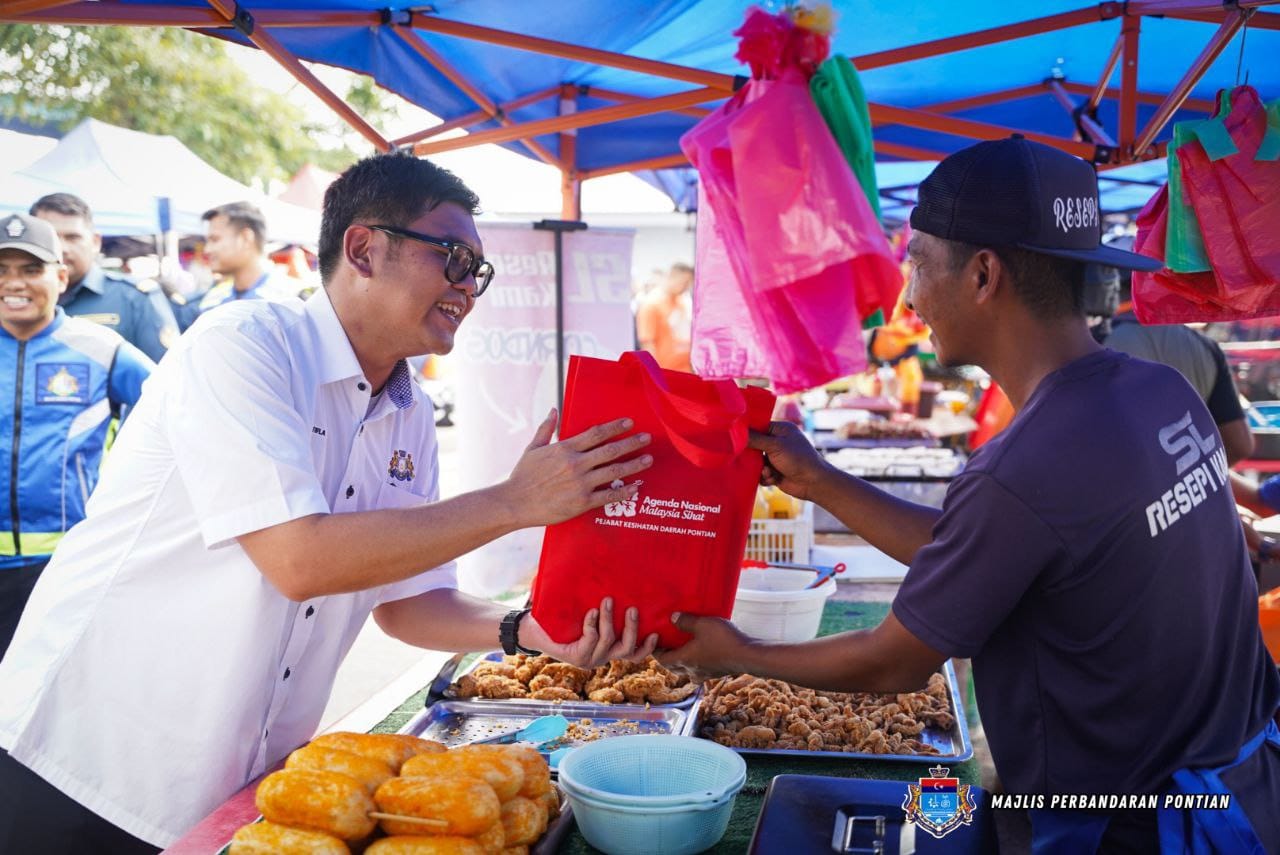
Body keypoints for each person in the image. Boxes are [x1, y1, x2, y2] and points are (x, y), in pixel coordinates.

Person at [0, 152, 656, 853]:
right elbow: (300, 558)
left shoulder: (407, 410)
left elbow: (410, 604)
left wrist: (532, 632)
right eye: (456, 259)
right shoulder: (244, 347)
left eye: (480, 271)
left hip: (235, 786)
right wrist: (512, 501)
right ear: (364, 248)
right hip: (80, 761)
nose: (470, 287)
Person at [665, 138, 1280, 853]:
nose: (909, 296)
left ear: (984, 273)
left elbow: (892, 661)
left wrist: (733, 650)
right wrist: (823, 480)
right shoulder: (1160, 394)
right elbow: (995, 552)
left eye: (917, 262)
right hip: (1247, 791)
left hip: (1137, 828)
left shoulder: (1028, 463)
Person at [0, 212, 153, 657]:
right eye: (3, 270)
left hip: (65, 567)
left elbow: (174, 411)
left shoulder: (103, 350)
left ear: (61, 276)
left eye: (31, 269)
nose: (15, 283)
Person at [1086, 248, 1255, 465]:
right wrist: (1197, 478)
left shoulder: (1093, 346)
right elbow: (1240, 444)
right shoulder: (1203, 344)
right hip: (1191, 491)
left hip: (1126, 490)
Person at [29, 193, 179, 363]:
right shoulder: (15, 300)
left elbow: (168, 375)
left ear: (95, 242)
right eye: (52, 237)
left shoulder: (135, 298)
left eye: (73, 237)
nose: (62, 248)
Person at [189, 201, 299, 323]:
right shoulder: (213, 303)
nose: (207, 250)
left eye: (215, 239)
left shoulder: (288, 304)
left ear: (246, 238)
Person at [636, 262, 693, 372]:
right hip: (666, 372)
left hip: (685, 371)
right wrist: (655, 374)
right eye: (684, 282)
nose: (686, 287)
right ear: (672, 277)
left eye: (689, 283)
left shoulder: (681, 302)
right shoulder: (651, 305)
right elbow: (648, 345)